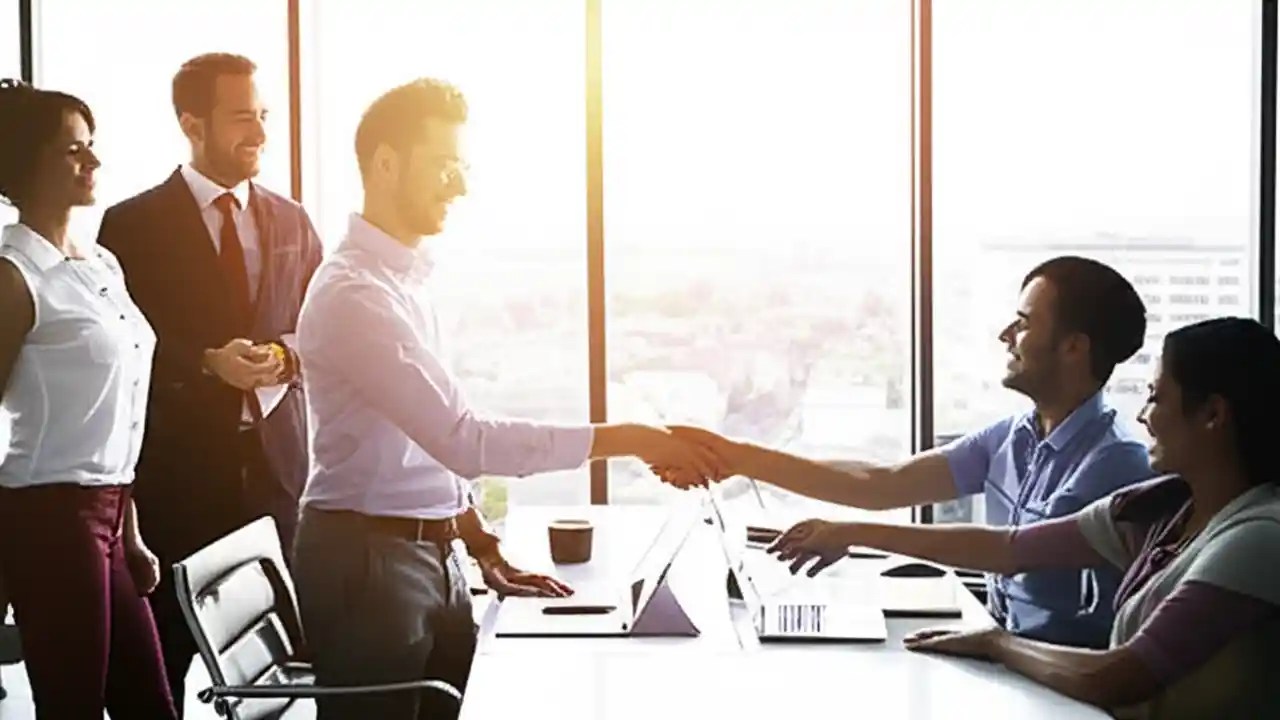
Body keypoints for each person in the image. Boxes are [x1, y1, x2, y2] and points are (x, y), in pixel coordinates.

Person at [292, 77, 722, 720]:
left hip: (424, 553)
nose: (460, 186)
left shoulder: (404, 282)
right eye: (444, 166)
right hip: (370, 565)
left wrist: (480, 544)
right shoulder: (357, 296)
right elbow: (465, 442)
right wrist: (631, 439)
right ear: (385, 165)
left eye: (460, 166)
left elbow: (423, 449)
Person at [768, 317, 1280, 719]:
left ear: (1213, 415)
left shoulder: (1258, 536)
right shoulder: (1164, 508)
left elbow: (1120, 677)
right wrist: (848, 532)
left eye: (1156, 396)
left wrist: (997, 644)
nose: (1144, 414)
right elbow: (1010, 549)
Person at [672, 256, 1155, 648]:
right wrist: (738, 457)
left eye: (1024, 323)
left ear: (1073, 347)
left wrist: (851, 533)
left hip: (1064, 681)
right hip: (1008, 651)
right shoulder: (1012, 436)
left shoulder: (1116, 463)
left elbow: (1009, 554)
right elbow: (882, 482)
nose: (1006, 335)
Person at [96, 53, 322, 712]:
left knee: (275, 684)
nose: (257, 130)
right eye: (240, 116)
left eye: (262, 114)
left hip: (277, 483)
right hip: (177, 486)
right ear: (191, 123)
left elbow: (322, 329)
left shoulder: (293, 222)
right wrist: (203, 361)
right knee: (158, 675)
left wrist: (285, 355)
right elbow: (119, 347)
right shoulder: (132, 225)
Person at [0, 78, 176, 719]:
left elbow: (118, 416)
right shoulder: (13, 277)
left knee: (149, 707)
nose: (94, 162)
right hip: (49, 519)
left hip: (109, 512)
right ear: (26, 164)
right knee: (71, 707)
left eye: (92, 146)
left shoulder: (100, 264)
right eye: (73, 150)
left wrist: (129, 531)